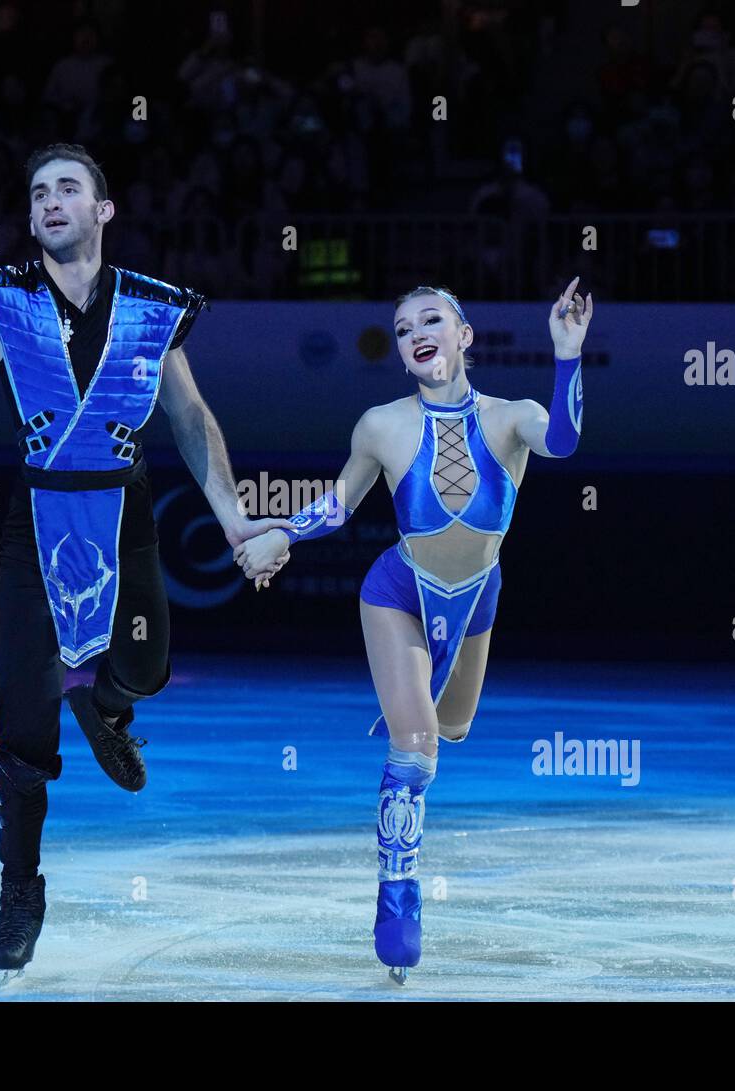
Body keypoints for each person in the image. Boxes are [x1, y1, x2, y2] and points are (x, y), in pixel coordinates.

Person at [0, 77, 290, 983]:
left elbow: (189, 417)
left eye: (66, 189)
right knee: (21, 722)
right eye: (36, 193)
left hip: (125, 511)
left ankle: (106, 704)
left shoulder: (152, 305)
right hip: (37, 522)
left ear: (103, 209)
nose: (49, 202)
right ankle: (21, 894)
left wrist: (236, 521)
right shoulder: (0, 296)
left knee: (149, 667)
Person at [235, 278, 592, 982]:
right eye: (403, 329)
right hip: (397, 590)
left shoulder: (511, 416)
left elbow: (564, 441)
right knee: (418, 743)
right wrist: (281, 531)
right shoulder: (380, 425)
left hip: (478, 595)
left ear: (464, 335)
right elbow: (340, 503)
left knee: (451, 725)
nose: (417, 332)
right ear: (400, 354)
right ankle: (398, 892)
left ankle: (418, 769)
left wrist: (568, 355)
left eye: (432, 319)